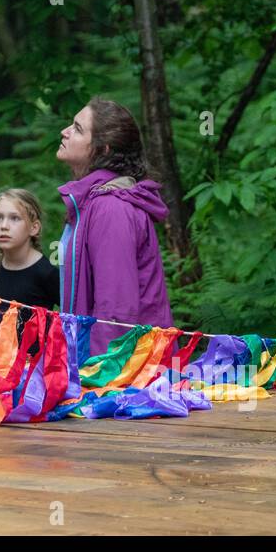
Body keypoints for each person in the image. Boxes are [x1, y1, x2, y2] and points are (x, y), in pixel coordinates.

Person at [56, 96, 174, 360]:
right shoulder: (93, 200)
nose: (64, 131)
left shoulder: (111, 208)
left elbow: (117, 309)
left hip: (123, 377)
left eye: (77, 129)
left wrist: (100, 381)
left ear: (103, 149)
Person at [0, 189, 59, 342]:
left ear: (34, 228)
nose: (4, 226)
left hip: (33, 363)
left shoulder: (46, 273)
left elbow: (71, 317)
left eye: (15, 218)